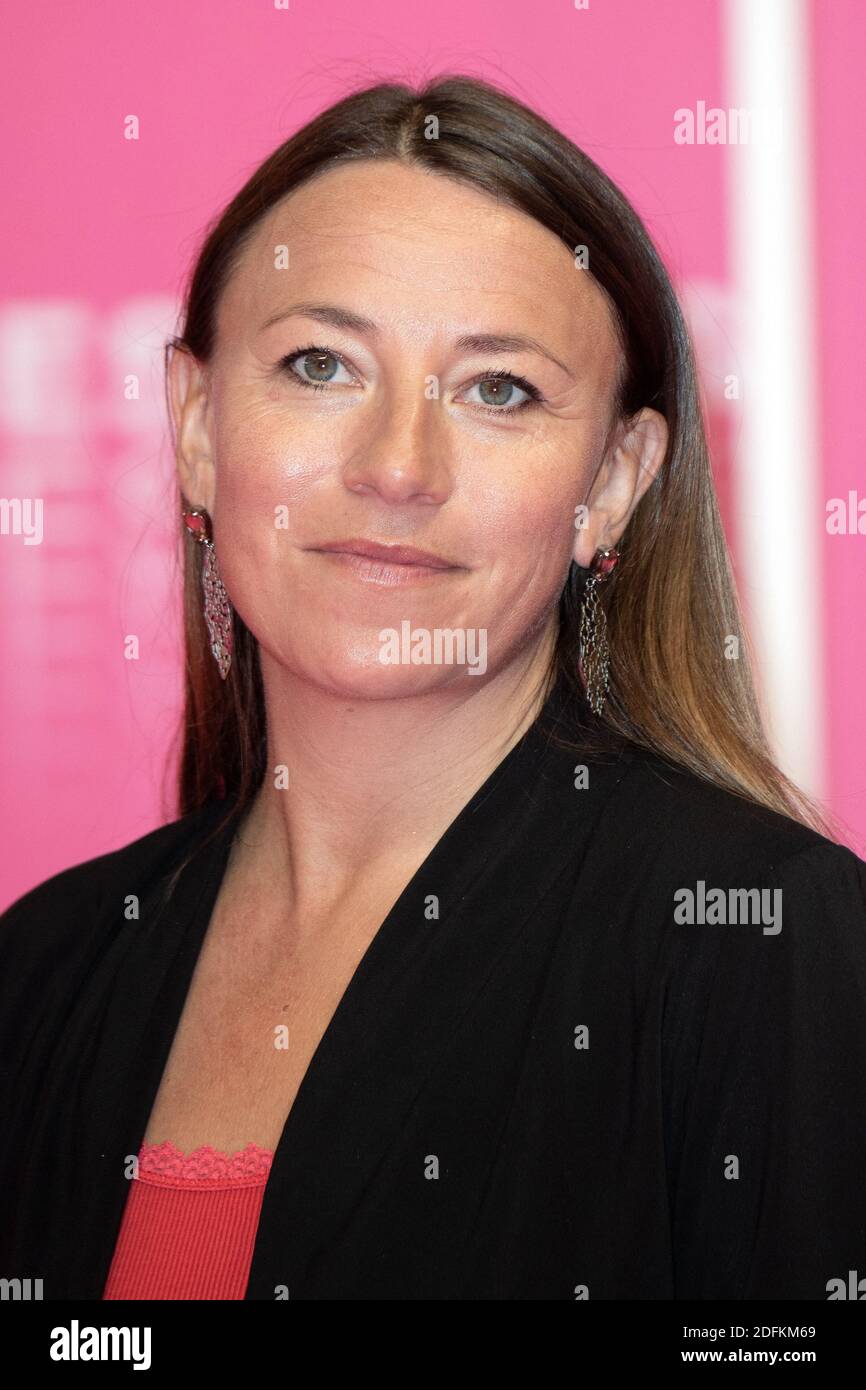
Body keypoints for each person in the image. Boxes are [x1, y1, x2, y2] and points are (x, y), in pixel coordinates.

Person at [1, 74, 864, 1302]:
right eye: (318, 365)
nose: (397, 466)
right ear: (194, 422)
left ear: (612, 482)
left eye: (496, 390)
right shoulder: (44, 971)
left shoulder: (753, 944)